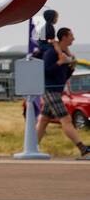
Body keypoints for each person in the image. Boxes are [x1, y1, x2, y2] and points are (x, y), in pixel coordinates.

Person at [37, 28, 90, 159]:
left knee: (44, 120)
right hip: (50, 90)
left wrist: (70, 68)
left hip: (56, 90)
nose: (73, 38)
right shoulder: (51, 53)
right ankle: (83, 150)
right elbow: (46, 71)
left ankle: (32, 147)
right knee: (66, 119)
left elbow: (63, 76)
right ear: (64, 37)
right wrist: (59, 63)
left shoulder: (65, 53)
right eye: (71, 35)